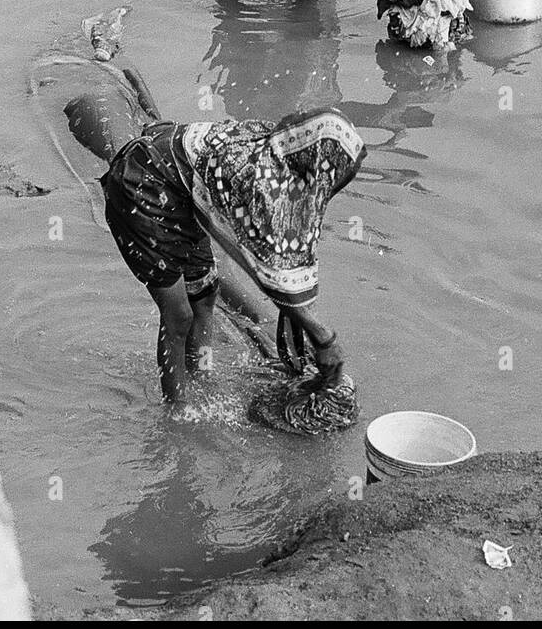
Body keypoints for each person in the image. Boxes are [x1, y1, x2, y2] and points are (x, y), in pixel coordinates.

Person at [98, 107, 365, 407]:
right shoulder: (258, 181)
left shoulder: (285, 153)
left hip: (182, 191)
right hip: (144, 186)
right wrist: (323, 337)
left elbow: (288, 264)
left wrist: (311, 330)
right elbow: (266, 273)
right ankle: (178, 411)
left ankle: (200, 380)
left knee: (204, 295)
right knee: (178, 316)